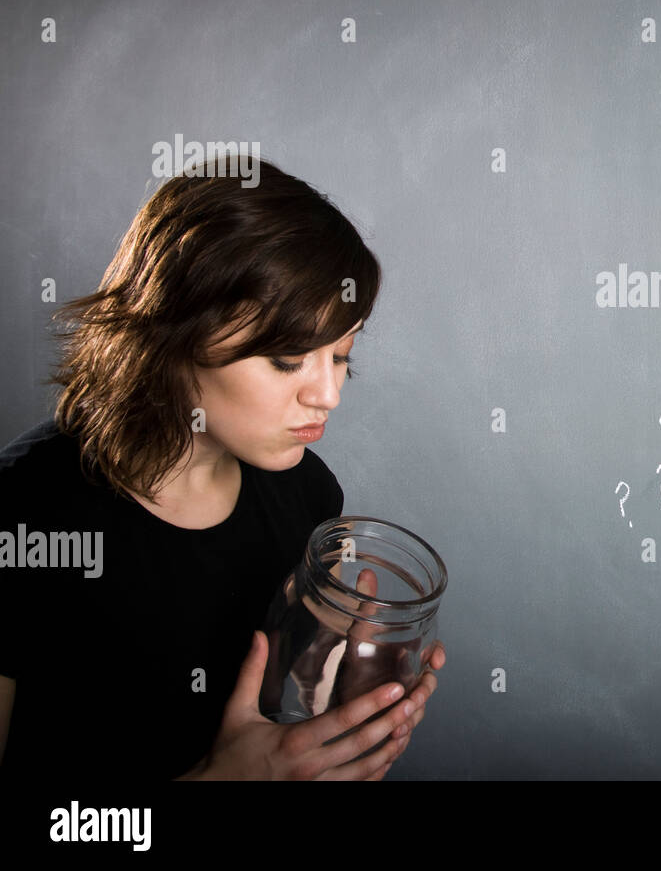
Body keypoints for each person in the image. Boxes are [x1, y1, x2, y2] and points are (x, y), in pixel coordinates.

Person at [0, 157, 444, 781]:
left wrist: (345, 719)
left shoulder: (312, 496)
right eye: (290, 360)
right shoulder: (23, 515)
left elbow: (283, 721)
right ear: (173, 334)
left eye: (342, 356)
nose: (328, 395)